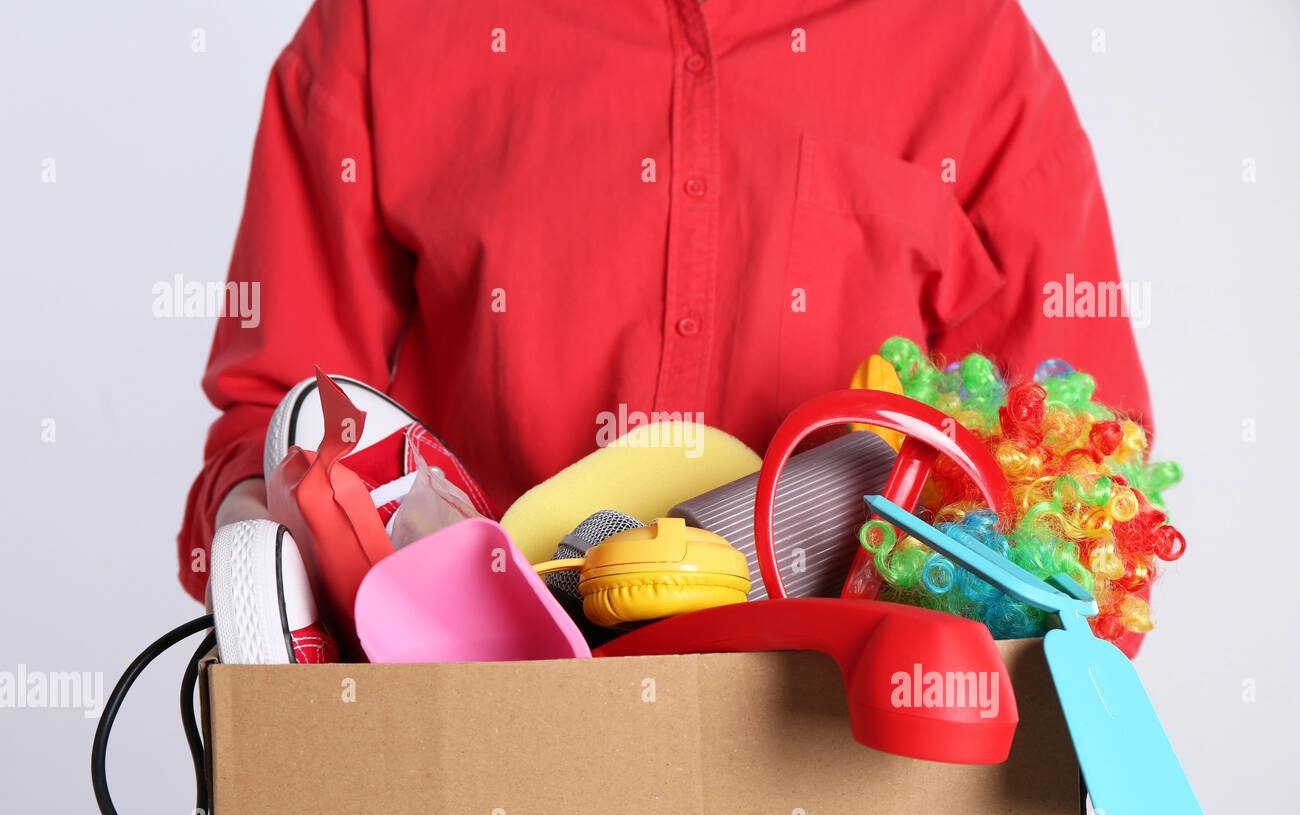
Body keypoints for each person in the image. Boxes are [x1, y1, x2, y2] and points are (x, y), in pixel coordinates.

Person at [179, 0, 1151, 603]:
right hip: (480, 733)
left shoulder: (966, 43)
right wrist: (266, 541)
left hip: (838, 747)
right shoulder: (387, 23)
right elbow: (275, 411)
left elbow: (1083, 479)